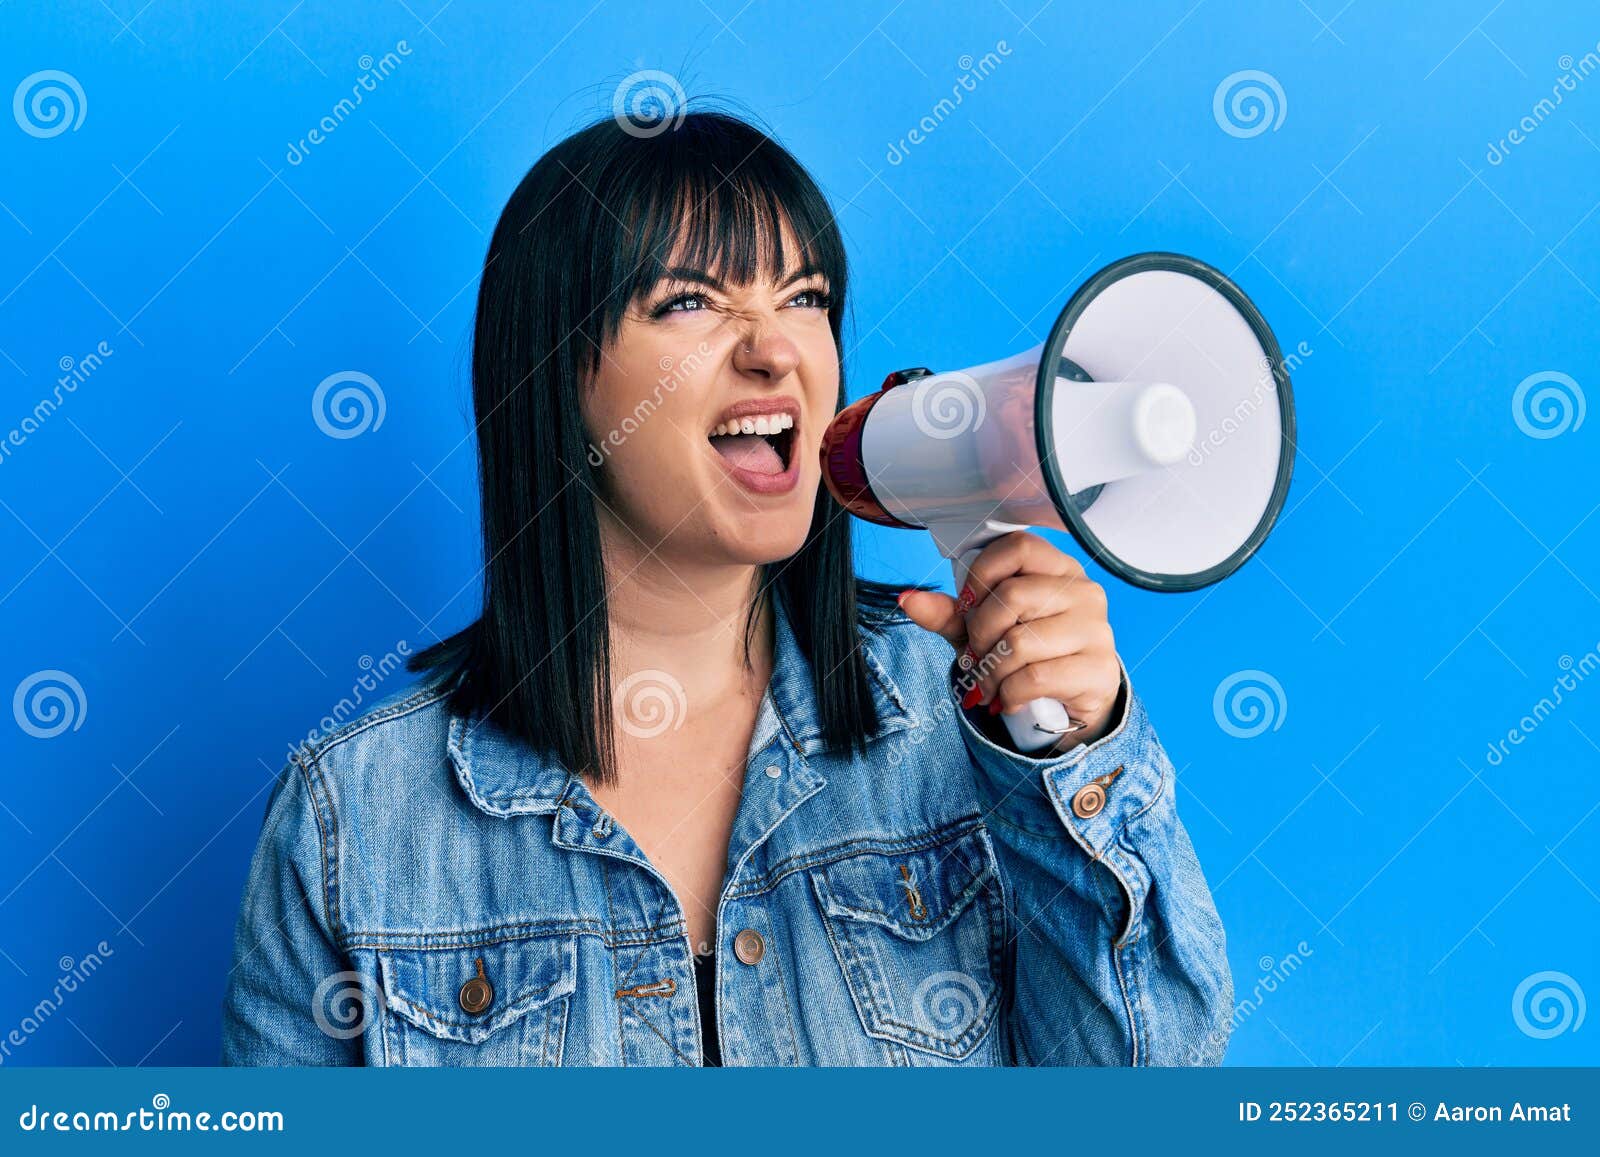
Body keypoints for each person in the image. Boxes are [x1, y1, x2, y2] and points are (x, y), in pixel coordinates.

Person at [221, 106, 1233, 1067]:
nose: (774, 349)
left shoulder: (962, 724)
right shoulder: (355, 816)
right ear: (560, 380)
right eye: (692, 302)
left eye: (805, 300)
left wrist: (1068, 761)